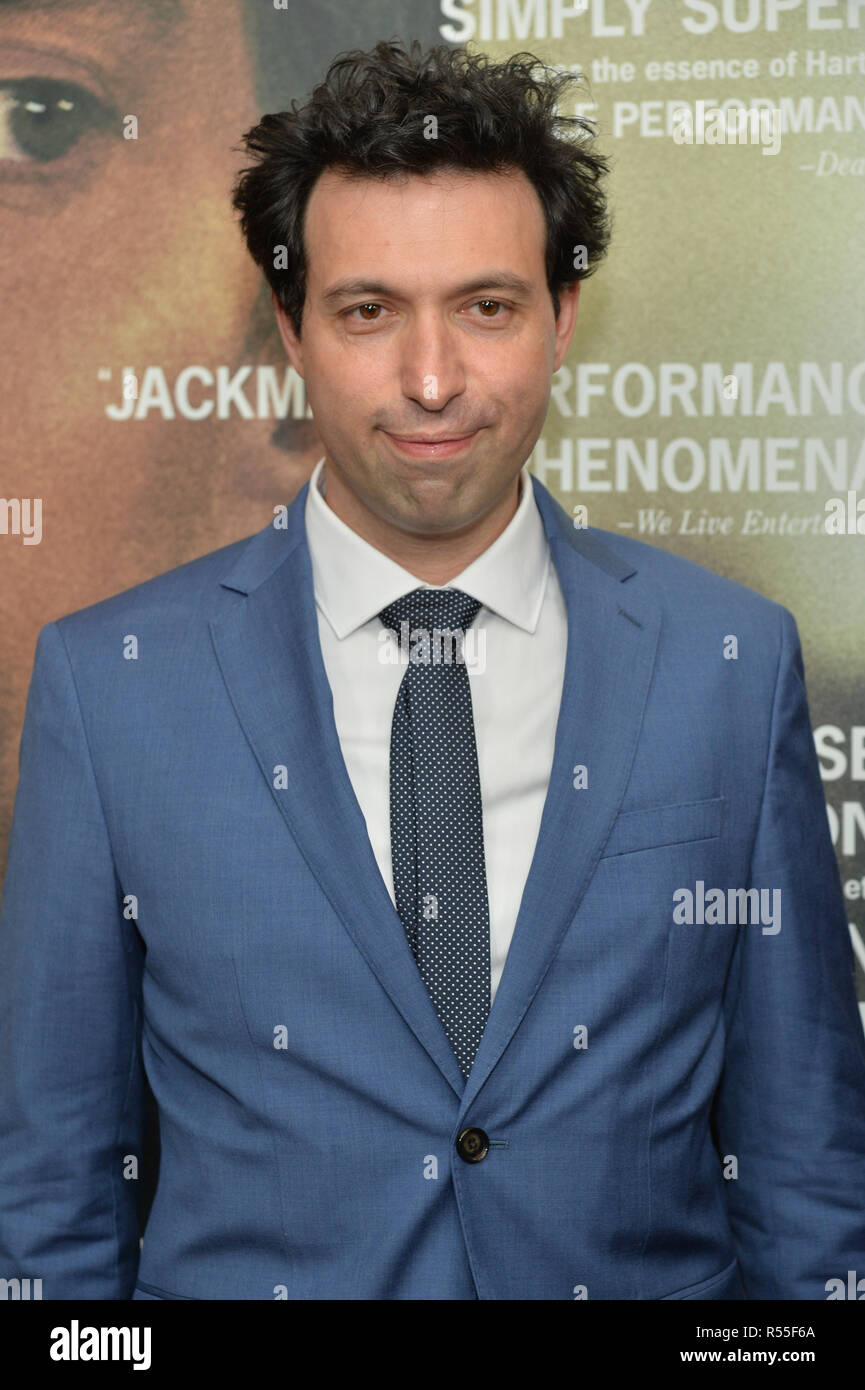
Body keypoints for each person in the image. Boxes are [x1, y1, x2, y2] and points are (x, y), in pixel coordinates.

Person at [1, 39, 863, 1302]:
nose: (430, 379)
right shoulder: (112, 686)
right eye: (368, 310)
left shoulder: (725, 662)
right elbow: (54, 1201)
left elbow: (804, 1184)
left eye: (486, 306)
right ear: (289, 329)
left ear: (563, 319)